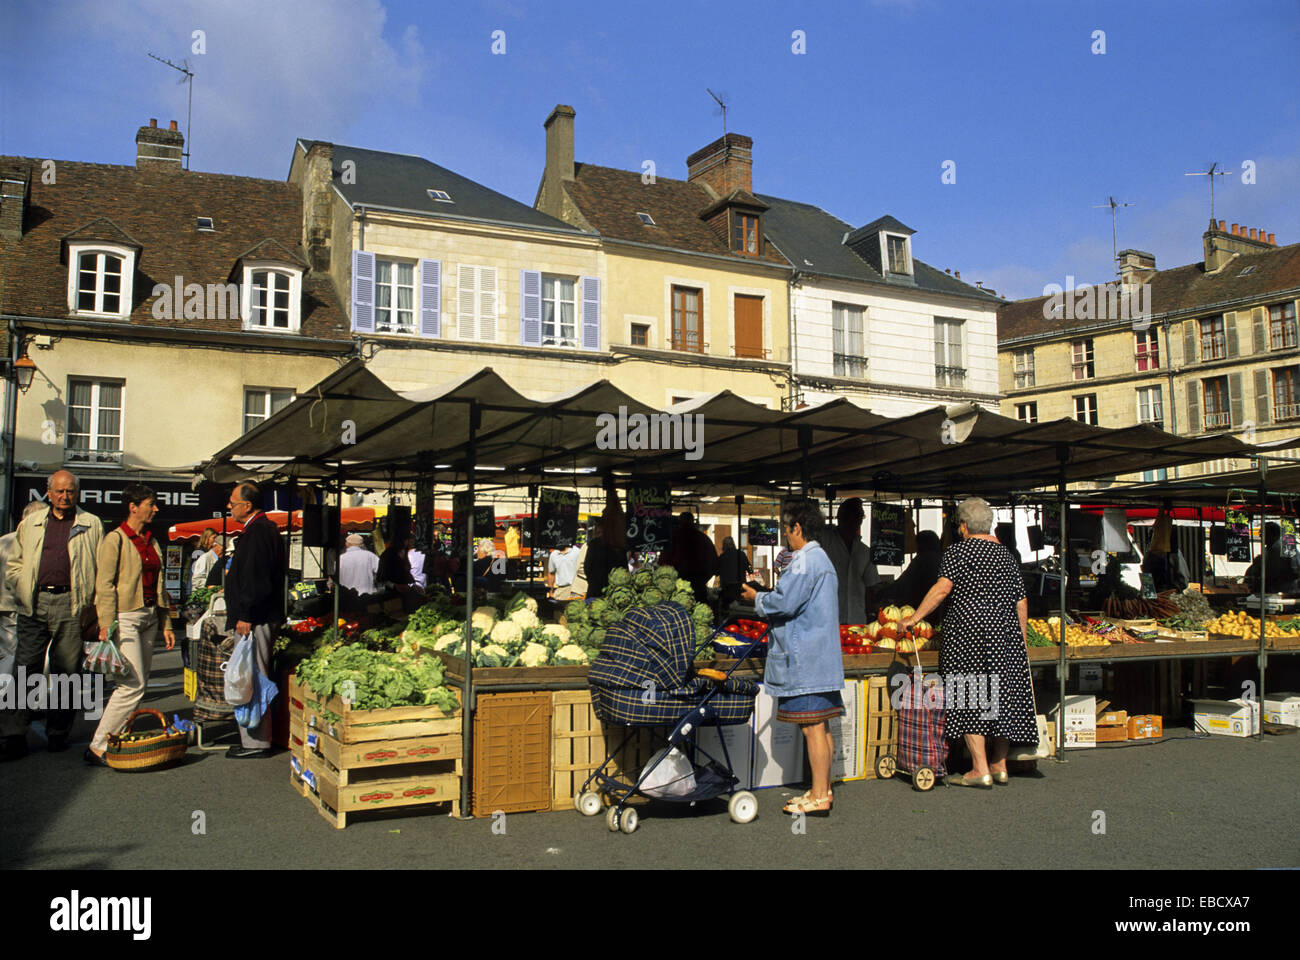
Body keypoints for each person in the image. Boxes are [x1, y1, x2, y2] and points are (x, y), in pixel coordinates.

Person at [900, 497, 1038, 788]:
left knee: (970, 695)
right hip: (1005, 635)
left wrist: (914, 618)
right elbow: (1021, 600)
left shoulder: (958, 553)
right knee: (1001, 696)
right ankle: (999, 764)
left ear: (963, 526)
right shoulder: (1006, 556)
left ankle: (980, 768)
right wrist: (1021, 638)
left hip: (968, 635)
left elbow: (942, 589)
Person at [741, 499, 842, 817]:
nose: (786, 536)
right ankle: (821, 790)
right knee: (822, 727)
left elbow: (784, 603)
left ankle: (818, 794)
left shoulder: (804, 561)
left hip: (805, 659)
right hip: (820, 657)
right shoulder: (821, 558)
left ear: (797, 528)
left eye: (786, 530)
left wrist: (757, 597)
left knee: (812, 727)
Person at [2, 470, 104, 761]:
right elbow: (15, 563)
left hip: (71, 604)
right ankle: (14, 734)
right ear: (48, 492)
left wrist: (94, 608)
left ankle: (58, 732)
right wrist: (21, 587)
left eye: (70, 491)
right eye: (59, 491)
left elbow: (99, 567)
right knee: (25, 669)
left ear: (77, 493)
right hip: (34, 603)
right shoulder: (31, 523)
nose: (64, 496)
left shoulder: (91, 523)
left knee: (67, 673)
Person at [85, 484, 176, 767]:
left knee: (139, 683)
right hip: (125, 617)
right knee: (131, 685)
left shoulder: (151, 539)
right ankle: (99, 745)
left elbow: (160, 585)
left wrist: (167, 623)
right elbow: (105, 585)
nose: (156, 508)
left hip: (149, 616)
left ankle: (115, 737)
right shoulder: (116, 539)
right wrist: (106, 624)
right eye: (151, 503)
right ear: (133, 507)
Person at [222, 481, 285, 759]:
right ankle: (253, 738)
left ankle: (257, 742)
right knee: (252, 674)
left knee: (253, 677)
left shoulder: (259, 532)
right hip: (256, 615)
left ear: (247, 506)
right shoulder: (259, 530)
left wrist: (245, 614)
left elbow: (255, 578)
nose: (229, 506)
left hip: (255, 618)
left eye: (233, 502)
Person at [0, 504, 46, 748]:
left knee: (10, 661)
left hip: (6, 609)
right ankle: (18, 711)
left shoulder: (3, 541)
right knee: (22, 663)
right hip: (20, 610)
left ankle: (18, 709)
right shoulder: (26, 543)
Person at [820, 498, 880, 625]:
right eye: (851, 516)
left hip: (856, 620)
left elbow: (870, 587)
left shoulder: (865, 552)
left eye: (859, 516)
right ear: (840, 518)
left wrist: (871, 614)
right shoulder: (825, 540)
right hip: (827, 619)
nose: (856, 520)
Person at [875, 530, 943, 610]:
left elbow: (903, 583)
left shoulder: (922, 559)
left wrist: (882, 592)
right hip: (938, 606)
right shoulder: (942, 558)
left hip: (922, 606)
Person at [659, 512, 718, 602]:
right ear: (693, 522)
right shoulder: (703, 538)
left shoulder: (673, 538)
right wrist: (702, 581)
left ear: (679, 522)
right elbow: (714, 564)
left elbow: (663, 563)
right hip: (698, 586)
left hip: (676, 587)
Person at [583, 505, 629, 599]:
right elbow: (625, 570)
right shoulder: (620, 545)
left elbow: (587, 568)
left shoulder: (595, 544)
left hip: (596, 592)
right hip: (615, 594)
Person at [1244, 522, 1300, 595]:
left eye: (1263, 533)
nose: (1260, 536)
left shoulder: (1284, 547)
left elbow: (1295, 570)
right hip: (1273, 590)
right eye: (1260, 533)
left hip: (1285, 591)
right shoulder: (1268, 549)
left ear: (1274, 535)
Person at [718, 536, 751, 607]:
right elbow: (749, 568)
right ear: (733, 544)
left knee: (726, 608)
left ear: (724, 545)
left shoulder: (722, 557)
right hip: (740, 586)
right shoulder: (741, 554)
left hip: (726, 588)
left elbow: (716, 571)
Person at [190, 529, 219, 596]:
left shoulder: (205, 551)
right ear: (207, 538)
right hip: (200, 591)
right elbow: (196, 576)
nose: (215, 540)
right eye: (214, 537)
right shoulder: (200, 552)